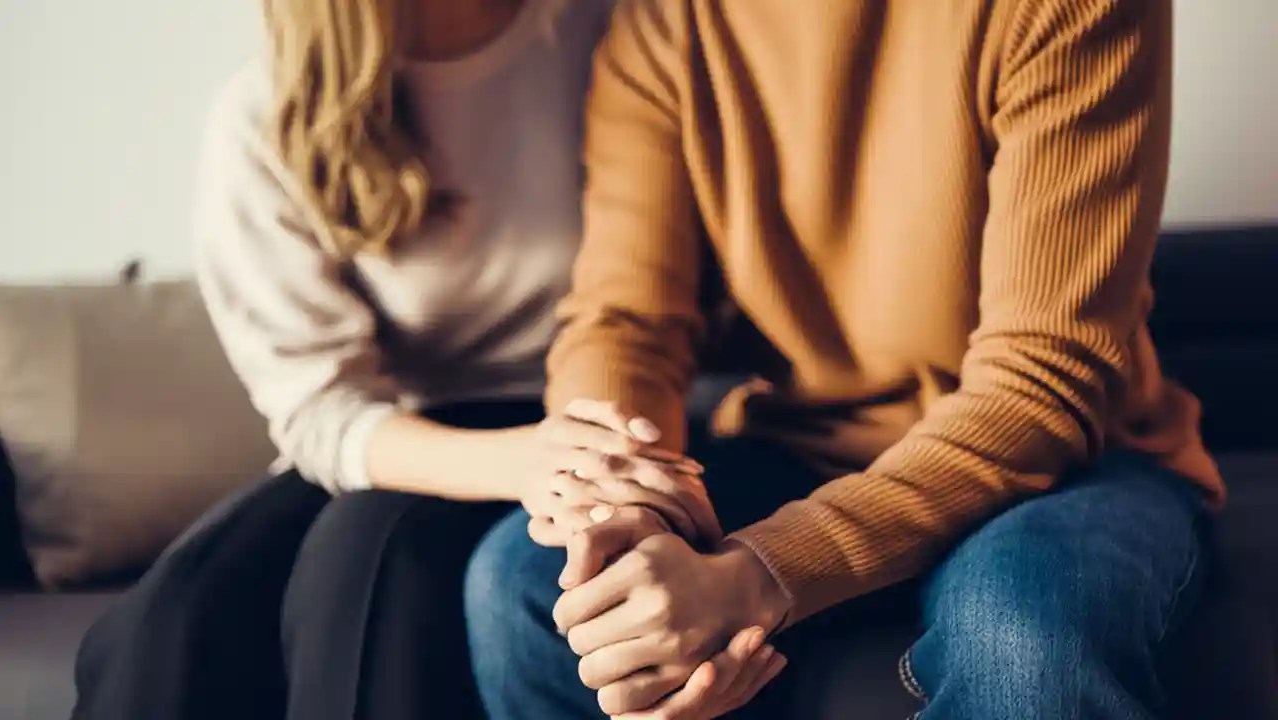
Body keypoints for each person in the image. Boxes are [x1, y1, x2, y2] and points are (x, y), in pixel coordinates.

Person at [464, 0, 1226, 718]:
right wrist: (627, 514)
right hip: (805, 445)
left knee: (1026, 637)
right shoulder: (666, 23)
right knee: (529, 586)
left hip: (1069, 464)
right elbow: (628, 322)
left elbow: (1041, 384)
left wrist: (765, 571)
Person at [72, 1, 775, 719]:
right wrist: (530, 461)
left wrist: (579, 456)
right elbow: (322, 412)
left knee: (371, 573)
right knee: (175, 621)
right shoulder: (265, 113)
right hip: (411, 441)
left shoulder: (601, 28)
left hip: (616, 411)